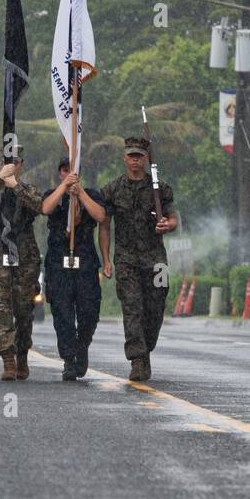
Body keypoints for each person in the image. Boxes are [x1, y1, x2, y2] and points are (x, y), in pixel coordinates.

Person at [100, 136, 176, 381]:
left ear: (146, 158)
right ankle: (137, 359)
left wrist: (168, 224)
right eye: (131, 156)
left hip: (156, 259)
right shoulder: (112, 190)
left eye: (139, 156)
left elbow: (174, 218)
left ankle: (146, 349)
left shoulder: (160, 188)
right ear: (124, 158)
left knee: (156, 307)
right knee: (132, 308)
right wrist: (106, 259)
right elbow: (104, 226)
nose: (135, 160)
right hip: (126, 259)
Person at [41, 156, 111, 380]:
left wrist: (80, 193)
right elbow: (45, 209)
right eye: (64, 170)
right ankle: (69, 360)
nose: (68, 174)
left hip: (85, 262)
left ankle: (83, 346)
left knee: (89, 311)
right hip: (58, 264)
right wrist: (64, 188)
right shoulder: (53, 195)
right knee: (62, 313)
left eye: (72, 170)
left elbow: (101, 216)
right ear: (59, 173)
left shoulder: (92, 195)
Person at [0, 159, 45, 380]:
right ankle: (8, 359)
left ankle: (22, 354)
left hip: (24, 252)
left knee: (24, 309)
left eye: (15, 163)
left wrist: (14, 185)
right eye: (6, 162)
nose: (11, 166)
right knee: (2, 306)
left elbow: (40, 206)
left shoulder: (27, 189)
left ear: (22, 165)